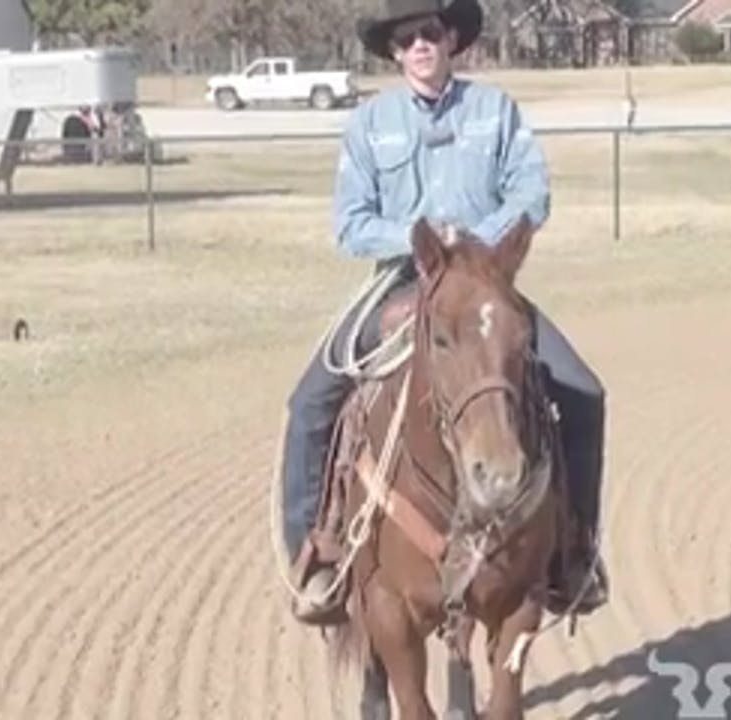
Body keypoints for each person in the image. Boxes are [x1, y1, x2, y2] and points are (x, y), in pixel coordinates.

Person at [280, 0, 609, 623]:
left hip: (483, 284)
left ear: (452, 39)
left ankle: (573, 549)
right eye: (405, 41)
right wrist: (422, 241)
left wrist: (472, 246)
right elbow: (350, 223)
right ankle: (316, 553)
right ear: (395, 53)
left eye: (429, 34)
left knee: (584, 392)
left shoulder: (496, 111)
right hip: (400, 282)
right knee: (310, 404)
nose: (419, 47)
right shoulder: (369, 124)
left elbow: (531, 192)